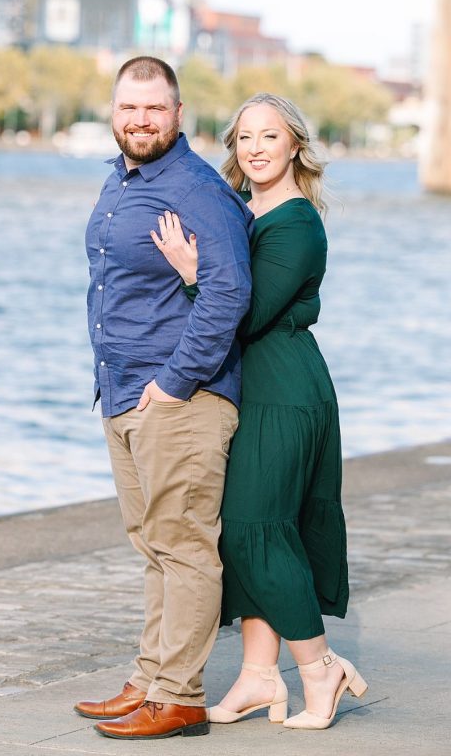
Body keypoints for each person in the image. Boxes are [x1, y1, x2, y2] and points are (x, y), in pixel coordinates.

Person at [152, 93, 368, 731]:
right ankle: (257, 675)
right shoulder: (245, 211)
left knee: (255, 527)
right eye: (244, 137)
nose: (254, 148)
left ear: (295, 144)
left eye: (269, 136)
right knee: (244, 528)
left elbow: (244, 315)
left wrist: (195, 276)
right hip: (253, 388)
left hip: (285, 391)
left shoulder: (297, 223)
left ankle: (320, 667)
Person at [75, 56, 253, 741]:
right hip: (124, 393)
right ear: (114, 111)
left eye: (154, 108)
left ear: (178, 115)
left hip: (180, 397)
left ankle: (179, 695)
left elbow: (230, 293)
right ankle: (149, 679)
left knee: (182, 548)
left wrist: (175, 383)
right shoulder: (121, 180)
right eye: (129, 107)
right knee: (153, 546)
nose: (140, 119)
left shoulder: (197, 189)